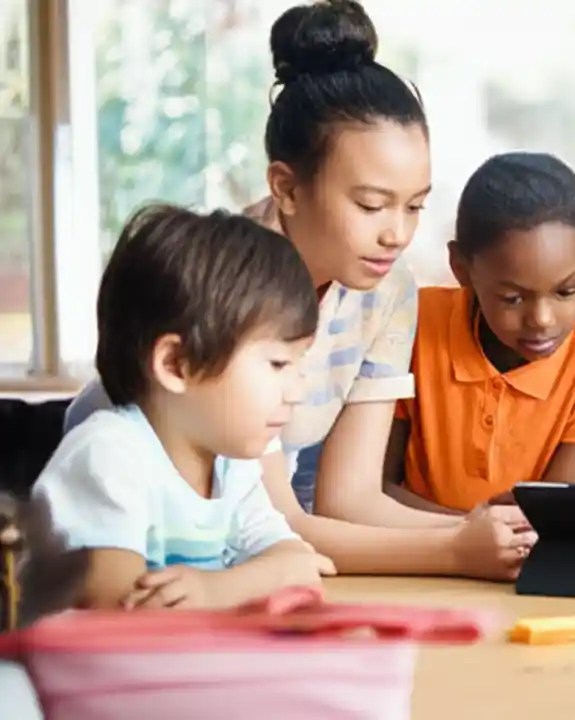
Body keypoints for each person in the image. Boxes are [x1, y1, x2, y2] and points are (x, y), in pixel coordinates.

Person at [64, 0, 532, 580]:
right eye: (370, 204)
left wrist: (476, 528)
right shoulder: (223, 285)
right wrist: (455, 552)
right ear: (287, 188)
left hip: (235, 542)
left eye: (415, 205)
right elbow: (277, 521)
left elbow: (349, 498)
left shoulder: (386, 288)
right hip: (146, 529)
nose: (398, 233)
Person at [35, 206, 334, 610]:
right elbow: (127, 608)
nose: (296, 390)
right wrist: (256, 580)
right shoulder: (108, 454)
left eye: (300, 364)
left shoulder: (232, 468)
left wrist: (217, 591)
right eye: (278, 364)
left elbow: (297, 563)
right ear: (177, 365)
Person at [384, 152, 575, 513]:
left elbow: (550, 519)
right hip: (406, 558)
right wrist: (466, 537)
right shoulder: (412, 324)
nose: (543, 319)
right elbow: (370, 487)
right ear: (461, 268)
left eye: (567, 291)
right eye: (513, 298)